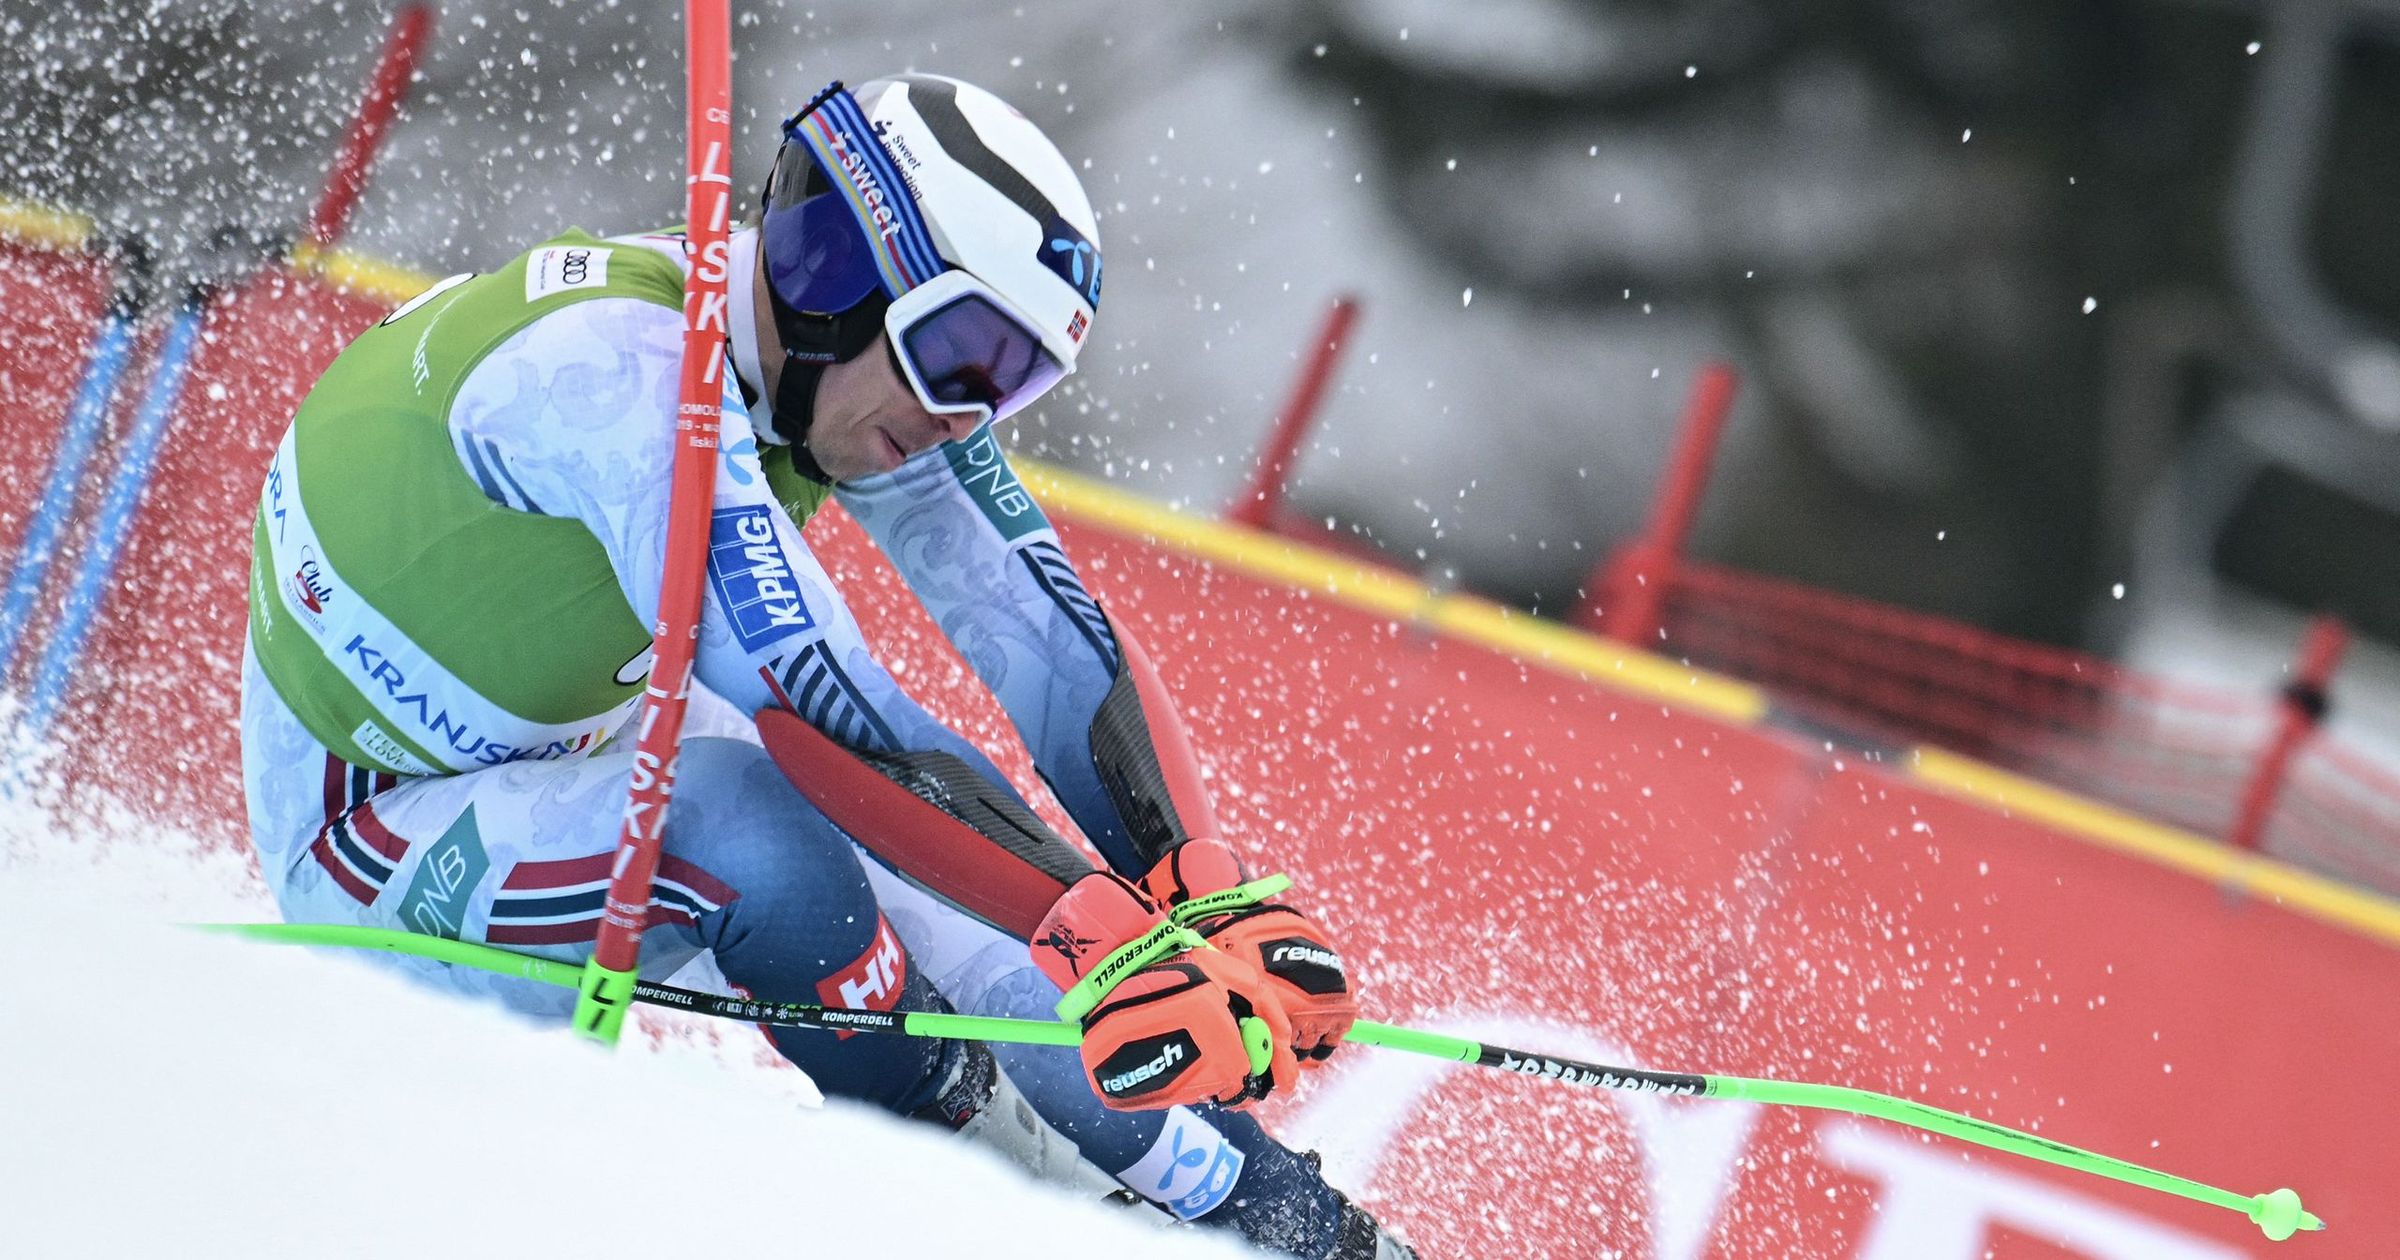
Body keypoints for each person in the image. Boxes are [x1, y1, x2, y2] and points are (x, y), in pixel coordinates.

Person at [240, 73, 1415, 1259]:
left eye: (1016, 380)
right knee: (765, 833)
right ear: (832, 265)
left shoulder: (847, 379)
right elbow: (825, 710)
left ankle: (1289, 1227)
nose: (973, 411)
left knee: (1006, 928)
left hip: (554, 773)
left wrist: (1195, 884)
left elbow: (1056, 648)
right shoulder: (624, 375)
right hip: (373, 839)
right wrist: (1102, 932)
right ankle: (958, 1170)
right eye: (965, 351)